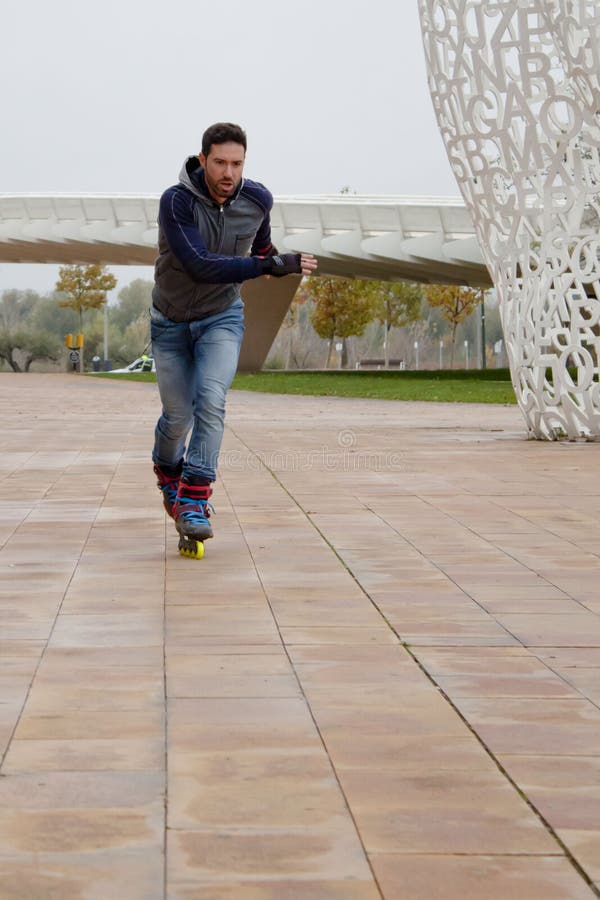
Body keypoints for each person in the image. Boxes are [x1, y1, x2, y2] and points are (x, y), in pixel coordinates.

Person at [151, 122, 317, 545]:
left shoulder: (258, 201)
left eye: (237, 164)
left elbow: (263, 251)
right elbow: (199, 265)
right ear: (202, 159)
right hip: (169, 322)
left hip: (221, 318)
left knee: (211, 401)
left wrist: (277, 261)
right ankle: (167, 470)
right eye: (220, 162)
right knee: (177, 416)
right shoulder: (176, 202)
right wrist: (270, 266)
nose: (229, 173)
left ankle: (193, 496)